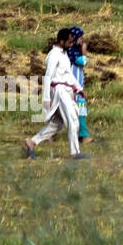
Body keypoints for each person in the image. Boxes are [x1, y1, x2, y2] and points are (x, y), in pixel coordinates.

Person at [22, 28, 85, 160]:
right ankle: (75, 152)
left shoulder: (64, 54)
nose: (71, 45)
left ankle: (32, 142)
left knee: (58, 123)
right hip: (59, 90)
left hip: (66, 90)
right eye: (69, 42)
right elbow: (48, 76)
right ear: (61, 41)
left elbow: (68, 74)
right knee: (73, 119)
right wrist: (46, 99)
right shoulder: (54, 55)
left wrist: (79, 89)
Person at [67, 25, 90, 142]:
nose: (82, 41)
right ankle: (83, 135)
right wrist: (84, 53)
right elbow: (81, 62)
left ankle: (81, 134)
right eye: (80, 38)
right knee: (80, 111)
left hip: (75, 85)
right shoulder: (73, 51)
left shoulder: (73, 50)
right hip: (74, 87)